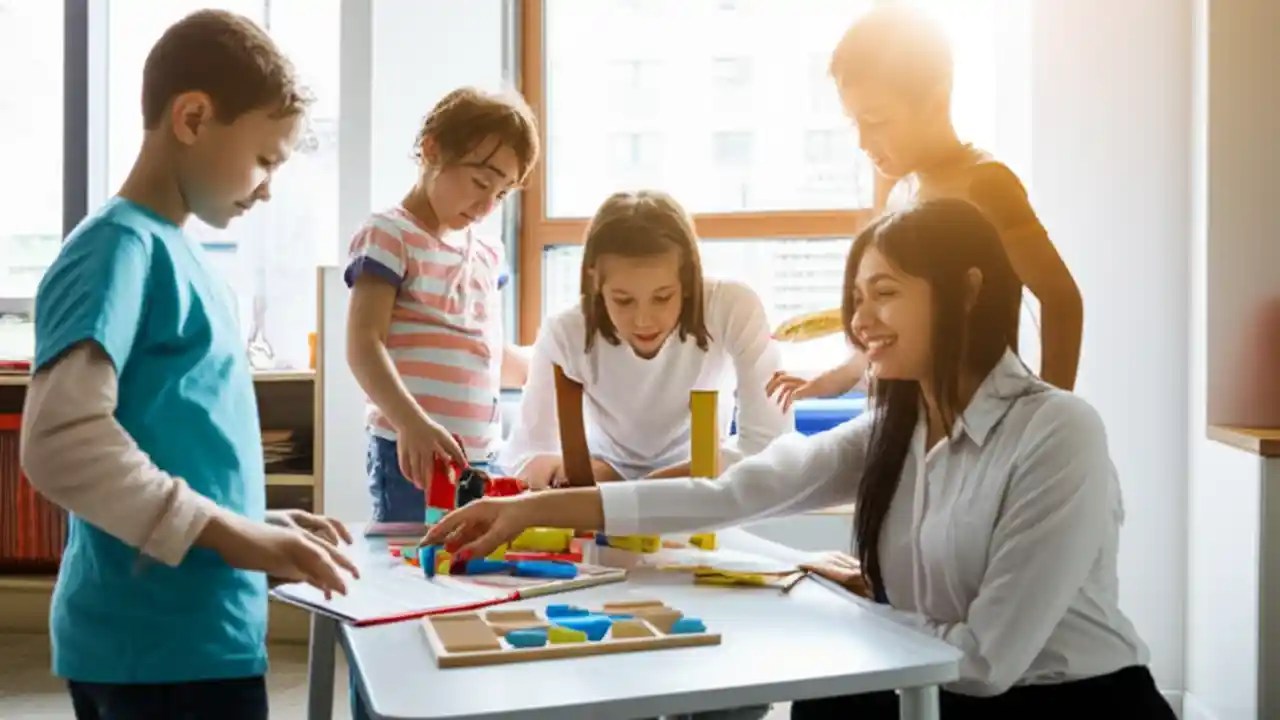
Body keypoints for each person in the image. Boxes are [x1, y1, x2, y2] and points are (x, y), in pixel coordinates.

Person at [427, 199, 1174, 719]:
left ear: (968, 291)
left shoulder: (1058, 431)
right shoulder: (895, 428)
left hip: (1068, 702)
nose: (859, 321)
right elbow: (728, 495)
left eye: (884, 293)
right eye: (856, 296)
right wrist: (529, 509)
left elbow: (986, 663)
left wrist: (873, 606)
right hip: (930, 687)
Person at [19, 11, 356, 720]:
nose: (267, 187)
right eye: (266, 158)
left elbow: (170, 440)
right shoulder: (116, 248)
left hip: (199, 636)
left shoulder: (180, 252)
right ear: (194, 118)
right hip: (156, 649)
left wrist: (257, 518)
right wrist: (234, 533)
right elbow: (59, 442)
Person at [767, 5, 1083, 411]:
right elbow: (890, 319)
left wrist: (1050, 415)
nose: (863, 141)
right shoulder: (898, 187)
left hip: (978, 417)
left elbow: (1061, 299)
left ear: (936, 101)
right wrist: (836, 378)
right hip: (913, 418)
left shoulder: (986, 184)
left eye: (877, 119)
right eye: (854, 122)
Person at [497, 189, 793, 485]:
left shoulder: (732, 307)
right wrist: (560, 474)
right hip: (603, 483)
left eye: (662, 297)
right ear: (595, 281)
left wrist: (654, 488)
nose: (643, 320)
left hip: (702, 482)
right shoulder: (565, 333)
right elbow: (525, 454)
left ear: (688, 281)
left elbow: (772, 443)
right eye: (623, 300)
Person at [345, 86, 539, 522]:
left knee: (470, 577)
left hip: (482, 461)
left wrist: (556, 360)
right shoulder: (389, 234)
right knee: (416, 577)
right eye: (480, 182)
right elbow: (363, 344)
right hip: (413, 455)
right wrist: (411, 423)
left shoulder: (489, 254)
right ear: (432, 150)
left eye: (503, 193)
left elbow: (489, 356)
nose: (488, 204)